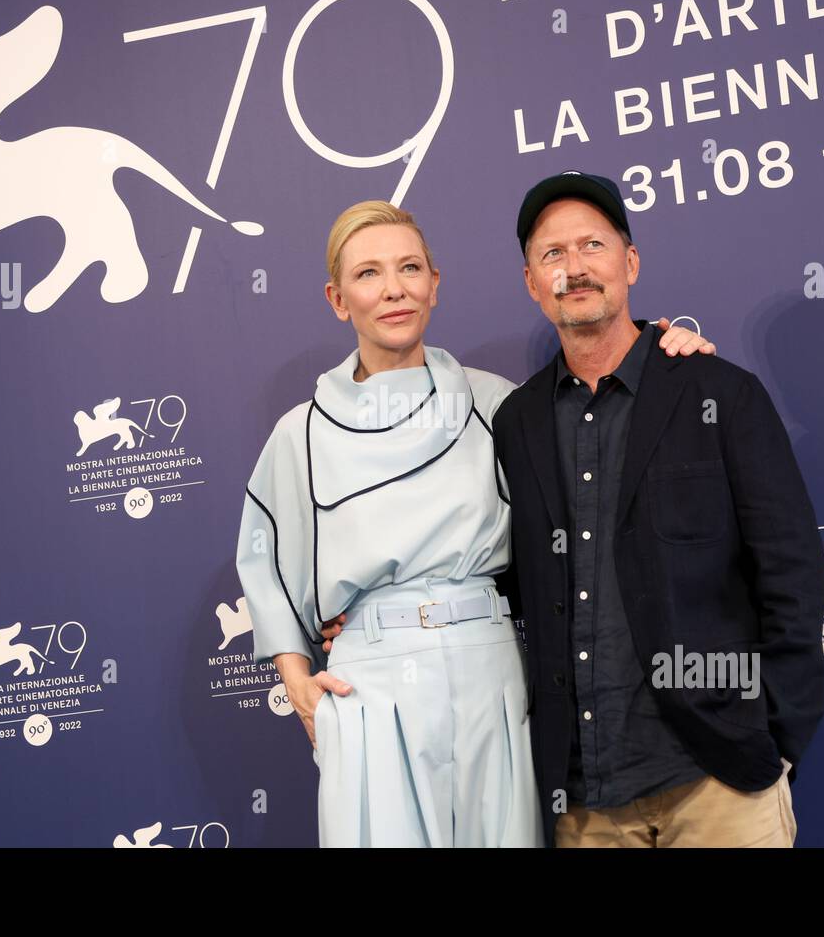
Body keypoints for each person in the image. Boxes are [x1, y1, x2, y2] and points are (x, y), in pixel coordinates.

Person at [236, 199, 714, 847]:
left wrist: (666, 356)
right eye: (369, 273)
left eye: (409, 267)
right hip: (367, 684)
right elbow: (264, 565)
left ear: (435, 283)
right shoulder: (301, 434)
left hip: (492, 670)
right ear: (337, 298)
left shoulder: (500, 404)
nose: (395, 288)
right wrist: (298, 682)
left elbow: (596, 480)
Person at [488, 170, 824, 847]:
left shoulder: (718, 393)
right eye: (553, 254)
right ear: (531, 281)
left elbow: (790, 572)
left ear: (630, 262)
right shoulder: (515, 422)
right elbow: (509, 578)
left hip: (718, 786)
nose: (575, 268)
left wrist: (774, 742)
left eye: (593, 245)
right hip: (586, 807)